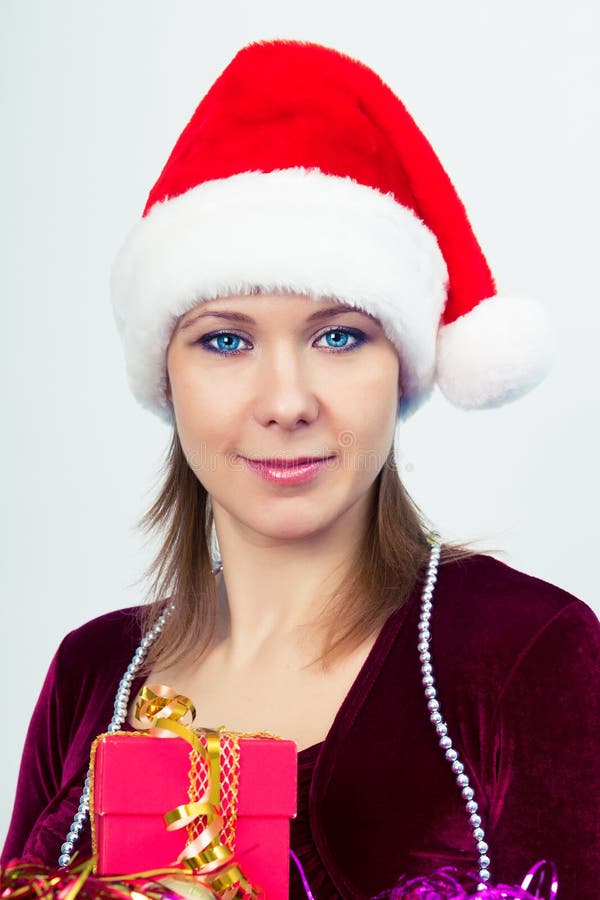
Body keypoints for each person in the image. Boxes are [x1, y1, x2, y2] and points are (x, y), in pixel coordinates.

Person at [2, 39, 599, 900]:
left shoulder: (524, 655)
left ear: (404, 364)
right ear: (166, 375)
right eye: (225, 340)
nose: (287, 401)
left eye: (339, 336)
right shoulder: (93, 673)